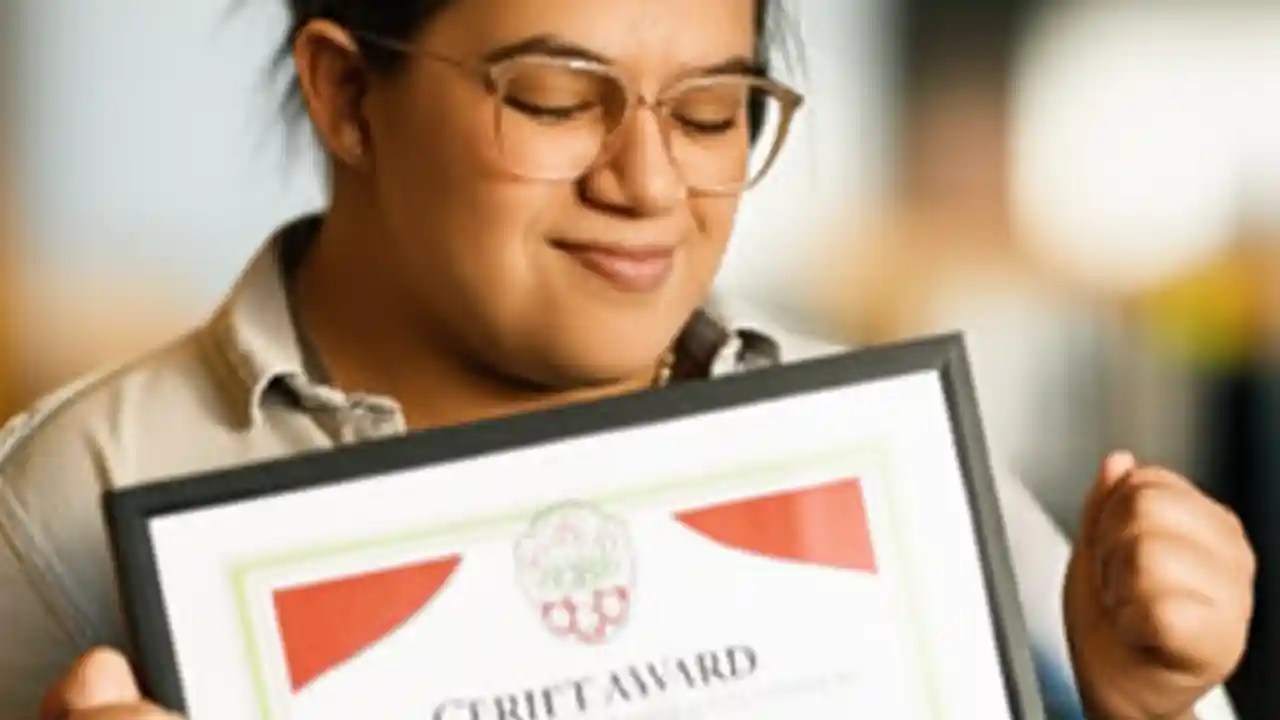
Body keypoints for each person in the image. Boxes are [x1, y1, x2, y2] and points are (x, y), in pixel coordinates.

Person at [0, 1, 1254, 718]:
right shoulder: (60, 508)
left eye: (713, 114)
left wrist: (1137, 706)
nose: (648, 183)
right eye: (553, 99)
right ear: (343, 94)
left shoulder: (899, 466)